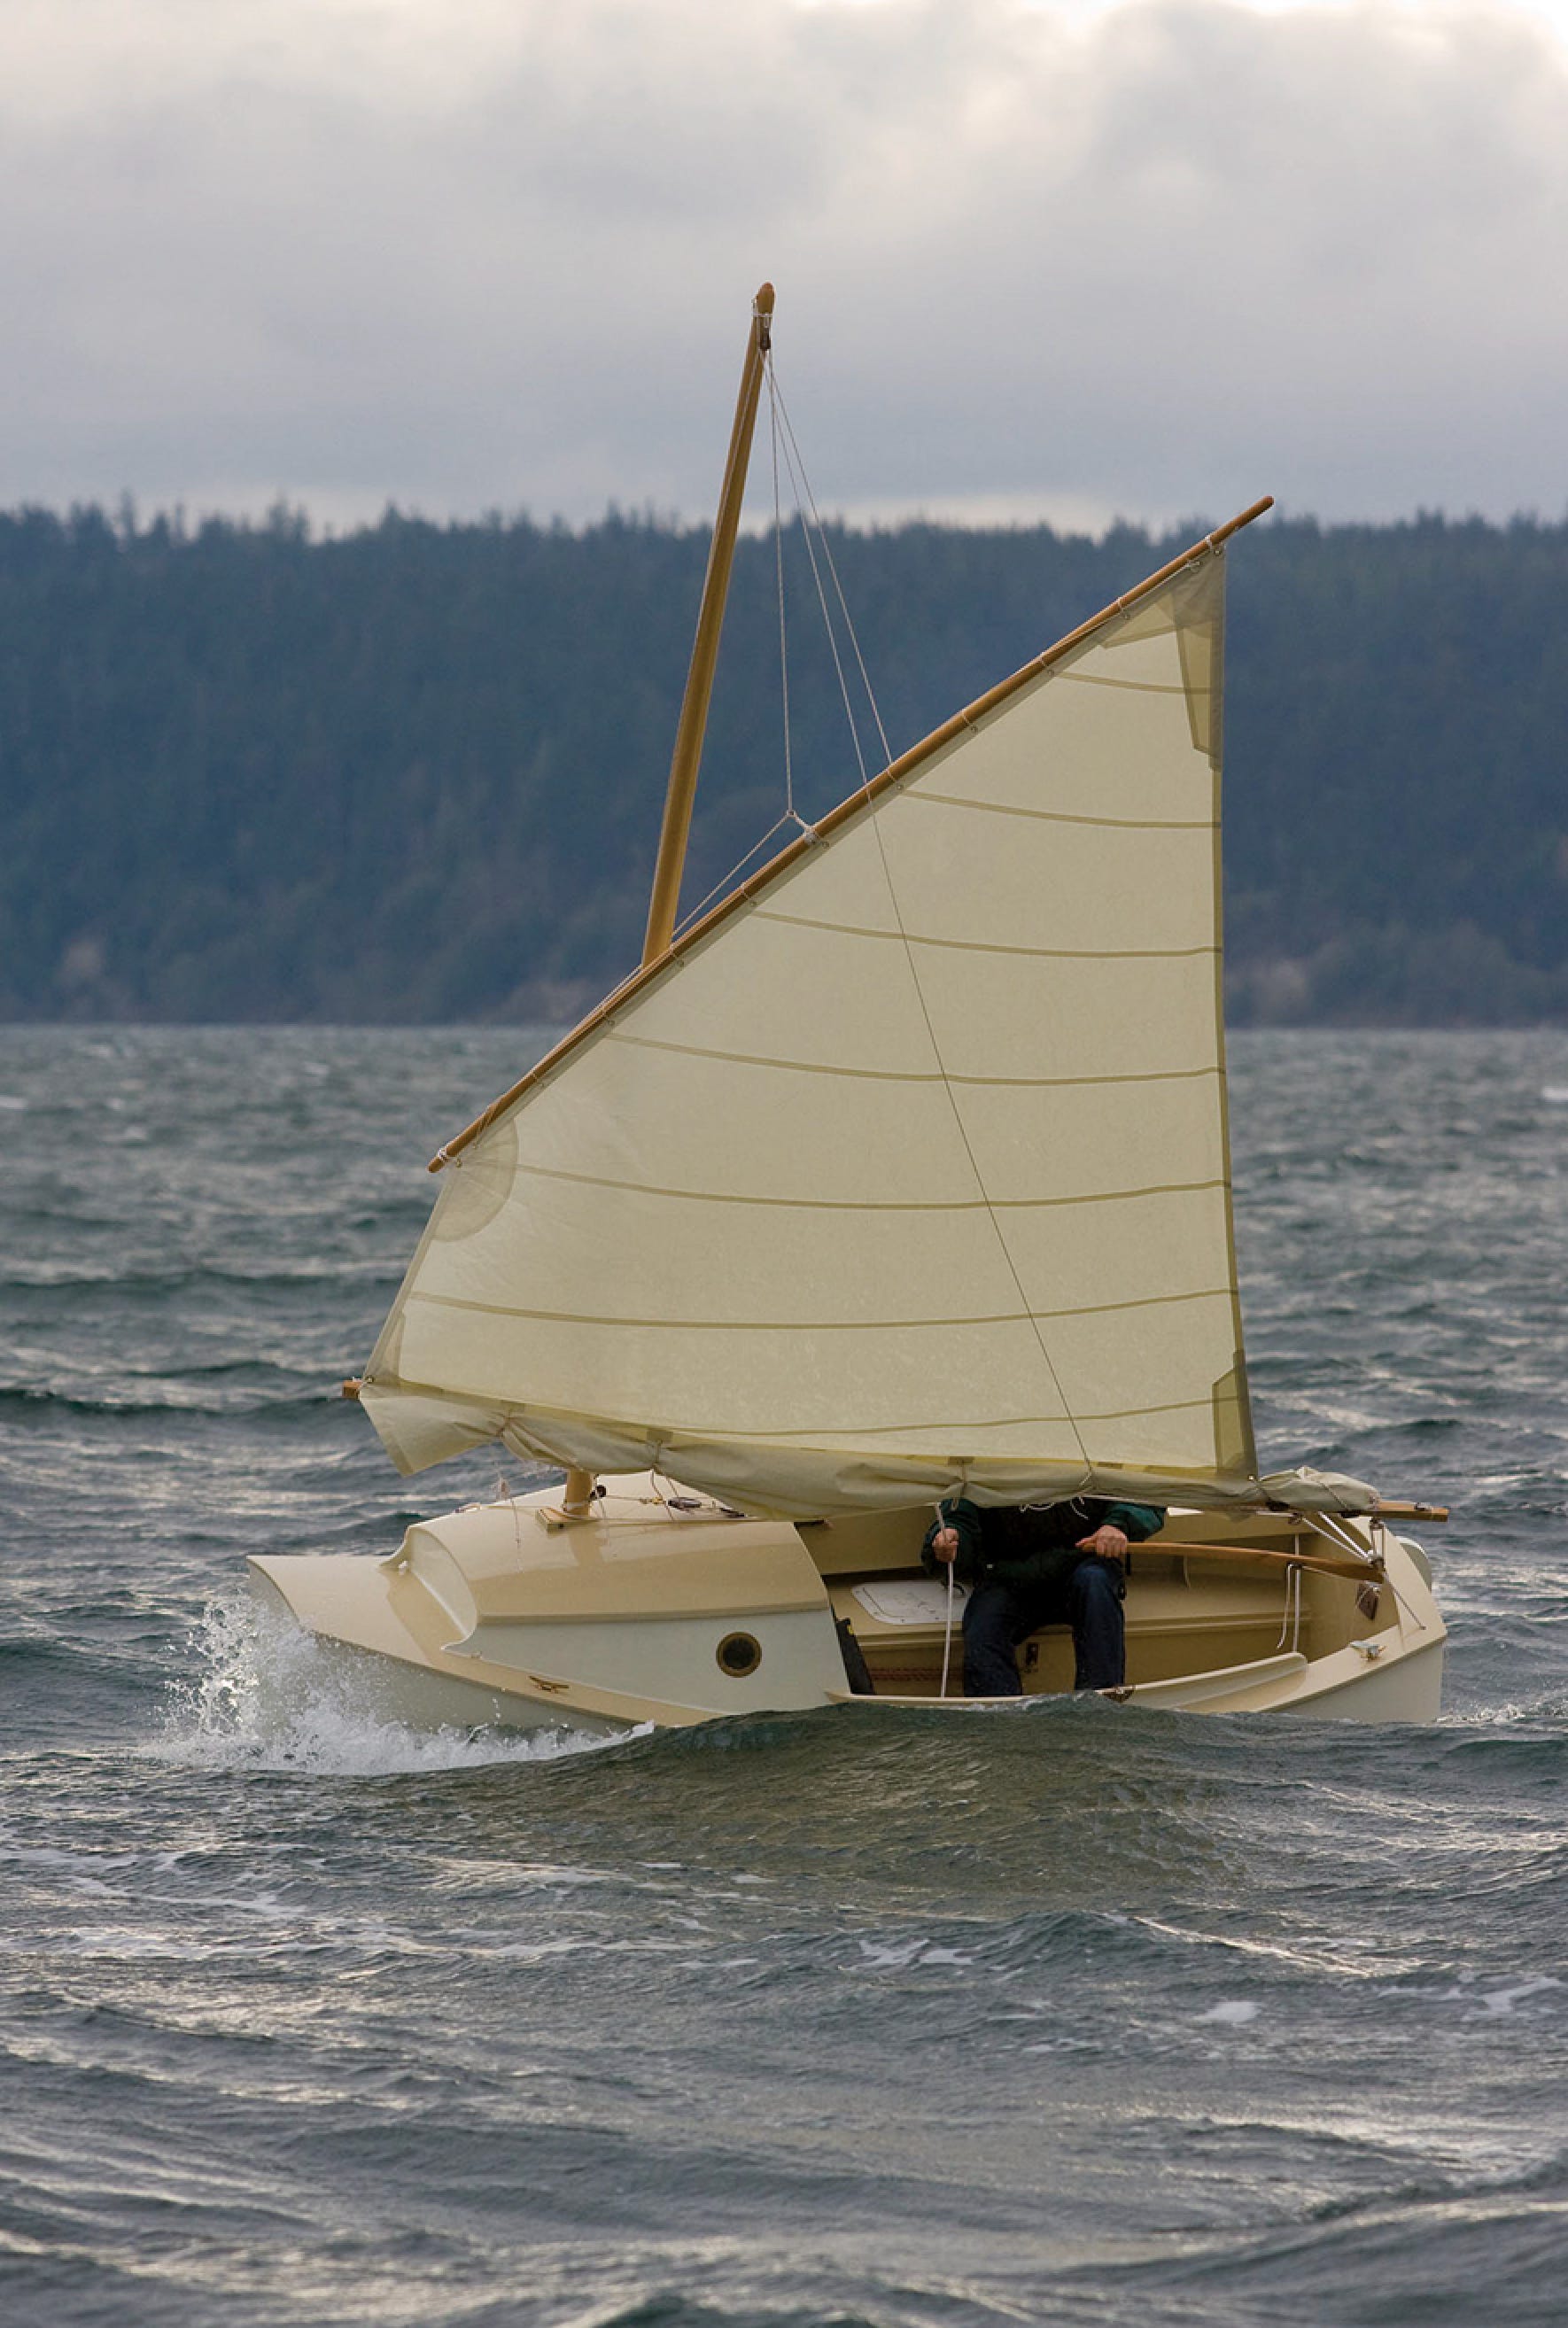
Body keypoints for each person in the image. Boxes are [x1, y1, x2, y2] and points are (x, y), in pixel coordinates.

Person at [921, 1494, 1166, 1695]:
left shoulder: (1095, 1441)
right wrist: (949, 1542)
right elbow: (959, 1514)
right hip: (1008, 1576)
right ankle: (995, 1721)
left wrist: (1118, 1524)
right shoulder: (984, 1450)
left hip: (1083, 1566)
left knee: (1096, 1585)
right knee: (983, 1625)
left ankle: (1101, 1703)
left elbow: (1143, 1493)